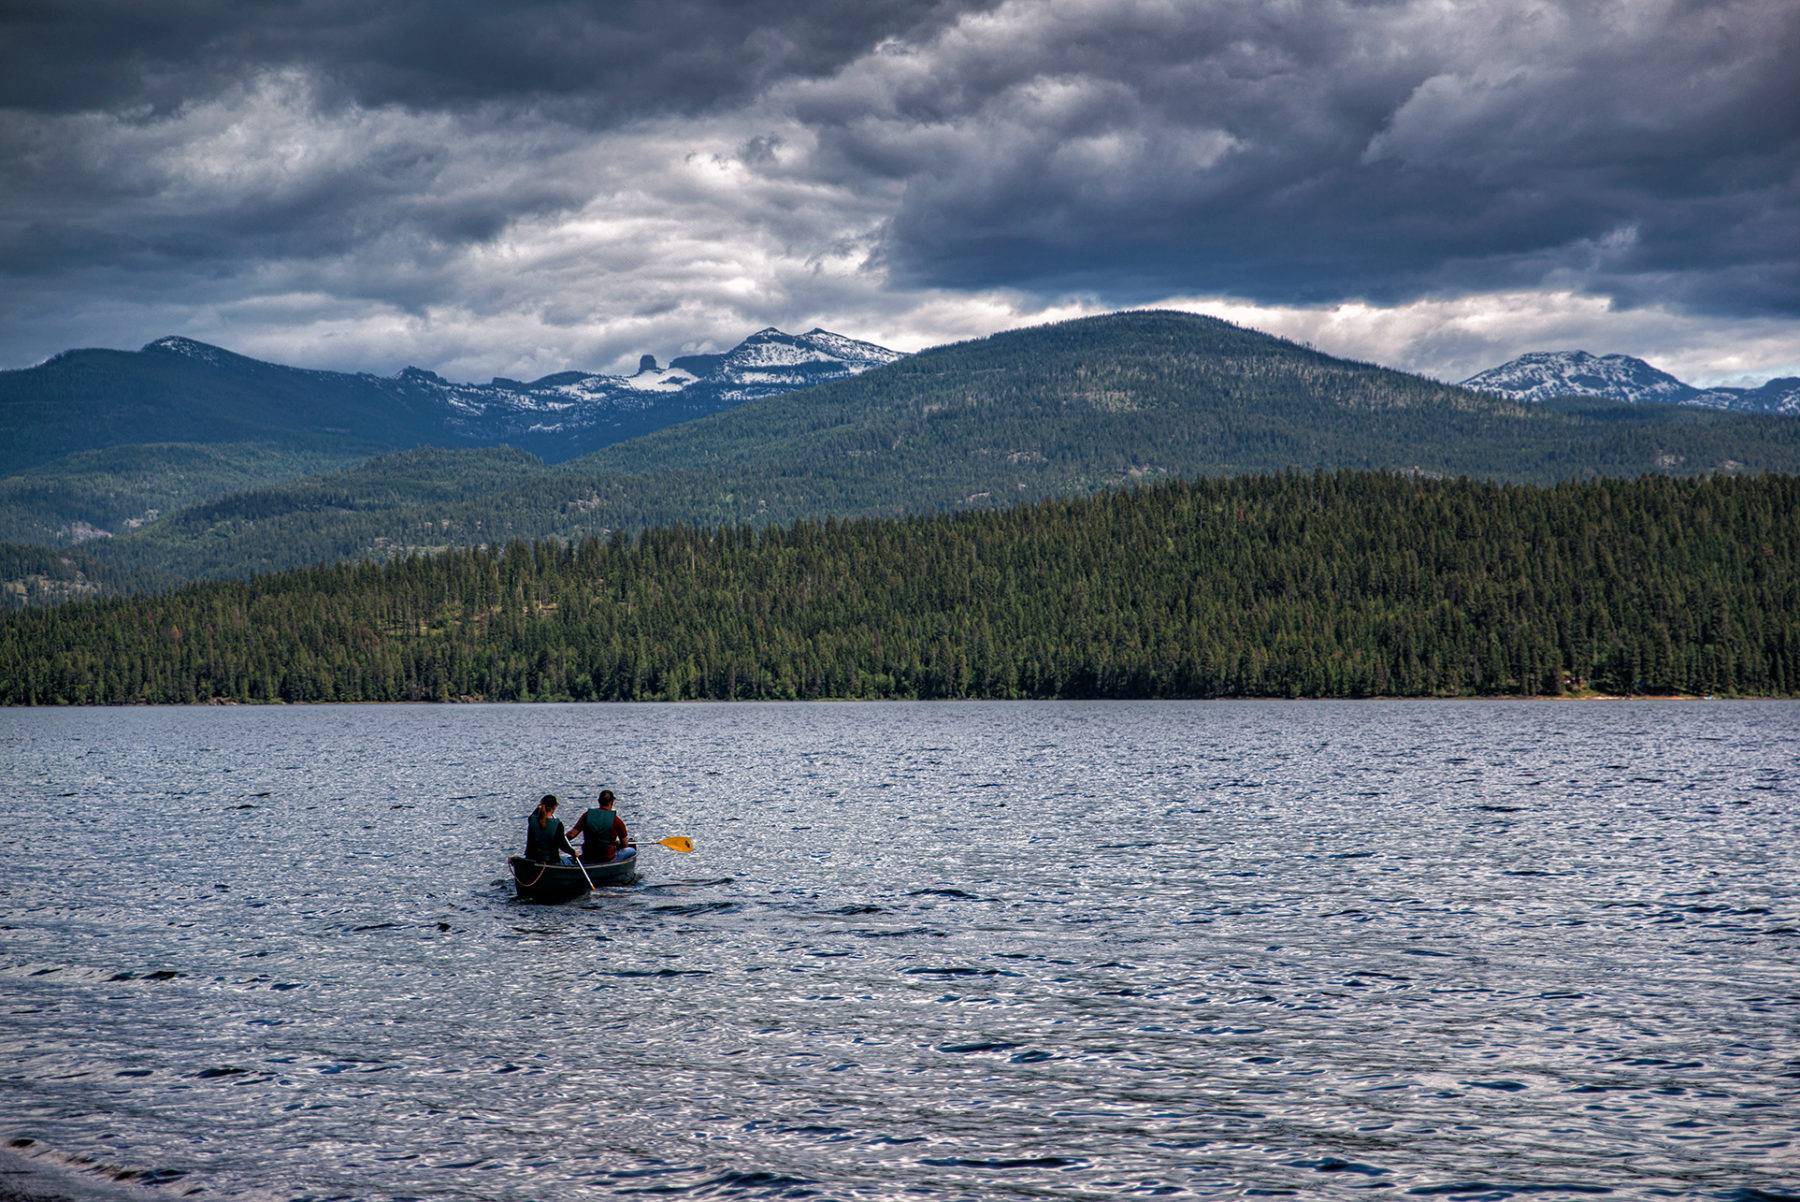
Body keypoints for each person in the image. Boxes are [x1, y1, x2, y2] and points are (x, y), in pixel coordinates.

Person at [570, 789, 633, 864]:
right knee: (631, 850)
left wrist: (558, 841)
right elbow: (625, 845)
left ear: (599, 801)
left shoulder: (587, 816)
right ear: (612, 802)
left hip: (588, 857)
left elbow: (571, 835)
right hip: (607, 858)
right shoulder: (617, 821)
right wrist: (616, 845)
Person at [524, 794, 578, 864]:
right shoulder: (558, 824)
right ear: (554, 807)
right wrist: (573, 853)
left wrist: (539, 807)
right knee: (569, 861)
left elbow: (535, 813)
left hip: (532, 859)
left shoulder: (531, 819)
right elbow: (563, 845)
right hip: (551, 861)